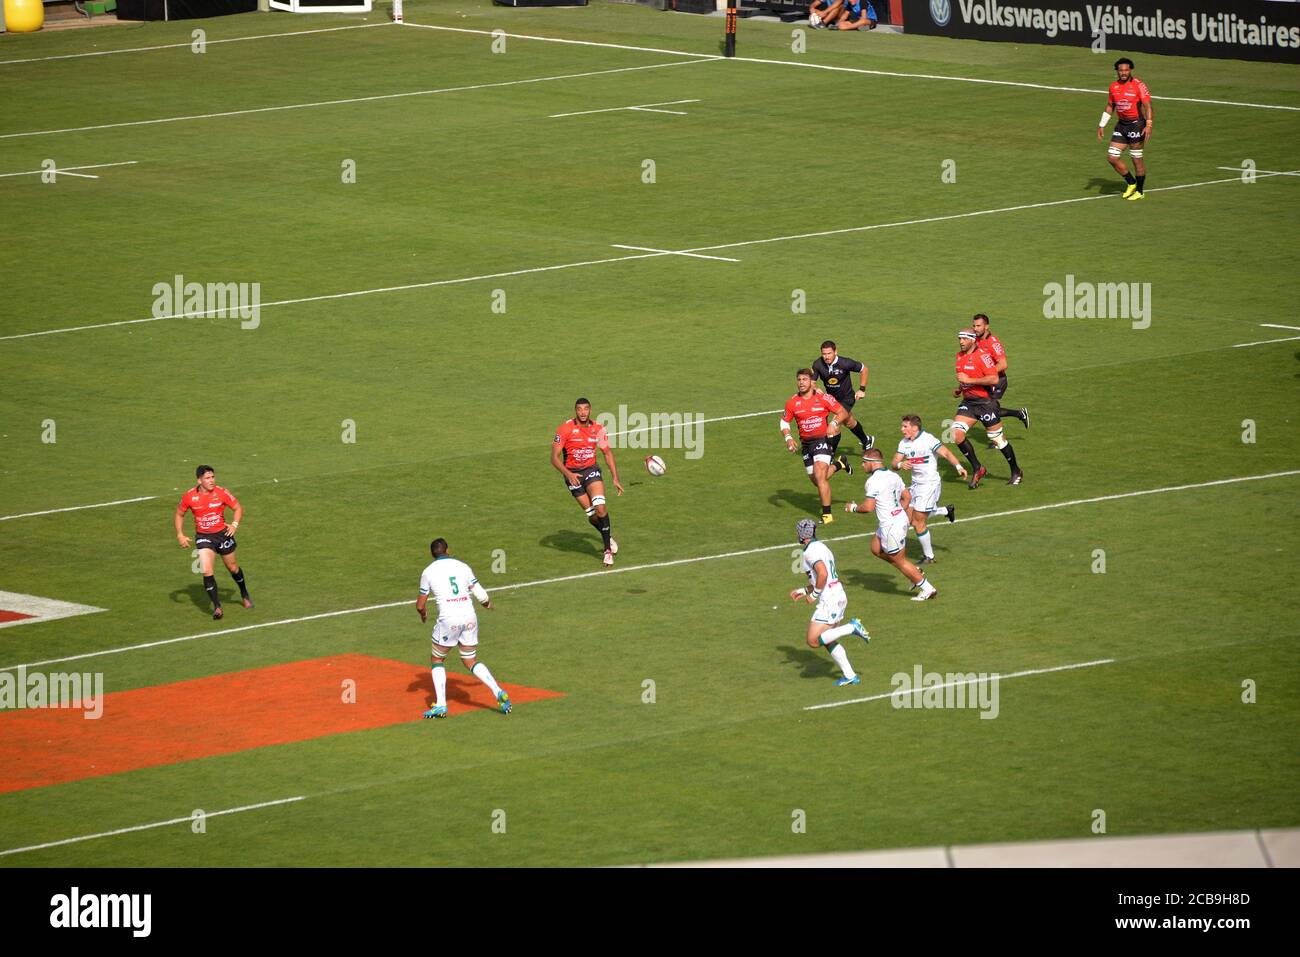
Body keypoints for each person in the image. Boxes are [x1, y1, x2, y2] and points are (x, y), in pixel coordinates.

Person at [417, 538, 511, 719]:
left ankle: (441, 705)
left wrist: (423, 615)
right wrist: (488, 604)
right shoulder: (462, 566)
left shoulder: (428, 572)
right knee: (470, 660)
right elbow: (480, 594)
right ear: (448, 549)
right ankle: (497, 691)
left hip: (448, 619)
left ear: (431, 554)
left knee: (437, 659)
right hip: (469, 617)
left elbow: (421, 604)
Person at [845, 450, 937, 600]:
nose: (862, 465)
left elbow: (868, 507)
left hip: (891, 526)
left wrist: (853, 508)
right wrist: (898, 512)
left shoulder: (873, 481)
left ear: (871, 462)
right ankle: (913, 571)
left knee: (900, 561)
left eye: (863, 462)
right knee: (876, 548)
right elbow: (907, 496)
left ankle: (927, 588)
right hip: (893, 521)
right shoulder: (894, 475)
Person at [789, 518, 869, 686]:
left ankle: (852, 627)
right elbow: (821, 578)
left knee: (813, 640)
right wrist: (804, 591)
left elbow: (823, 574)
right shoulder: (821, 547)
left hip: (830, 599)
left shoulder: (811, 552)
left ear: (802, 535)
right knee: (827, 640)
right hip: (836, 595)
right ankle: (850, 675)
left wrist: (814, 595)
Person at [551, 397, 623, 566]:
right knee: (592, 515)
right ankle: (607, 535)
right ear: (575, 411)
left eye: (586, 409)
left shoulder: (598, 429)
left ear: (590, 410)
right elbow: (554, 458)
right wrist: (568, 474)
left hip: (591, 471)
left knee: (600, 506)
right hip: (572, 475)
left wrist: (615, 477)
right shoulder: (565, 429)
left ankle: (607, 550)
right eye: (579, 409)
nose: (583, 412)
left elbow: (607, 453)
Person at [174, 465, 251, 620]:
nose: (211, 481)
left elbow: (237, 508)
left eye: (213, 477)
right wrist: (180, 534)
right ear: (199, 480)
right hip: (204, 537)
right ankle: (217, 607)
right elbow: (179, 514)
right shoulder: (189, 496)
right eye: (208, 478)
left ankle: (244, 593)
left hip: (223, 535)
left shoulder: (221, 492)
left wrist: (234, 525)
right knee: (207, 571)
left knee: (232, 567)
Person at [952, 328, 1024, 487]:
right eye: (959, 339)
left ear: (972, 340)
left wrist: (969, 381)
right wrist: (960, 388)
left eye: (964, 339)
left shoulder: (983, 356)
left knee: (997, 440)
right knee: (956, 434)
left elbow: (993, 379)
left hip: (985, 403)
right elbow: (964, 377)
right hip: (969, 403)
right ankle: (978, 468)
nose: (961, 342)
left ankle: (1016, 470)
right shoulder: (959, 356)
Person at [781, 368, 853, 524]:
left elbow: (842, 412)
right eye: (799, 380)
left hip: (823, 440)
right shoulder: (792, 402)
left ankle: (827, 515)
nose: (801, 383)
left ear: (812, 382)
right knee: (817, 480)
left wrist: (833, 423)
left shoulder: (824, 398)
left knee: (820, 476)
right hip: (806, 445)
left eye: (804, 379)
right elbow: (784, 421)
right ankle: (839, 464)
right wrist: (788, 438)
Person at [891, 415, 966, 565]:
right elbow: (894, 463)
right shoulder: (904, 443)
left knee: (918, 522)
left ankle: (929, 557)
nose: (902, 429)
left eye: (905, 426)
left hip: (929, 485)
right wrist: (900, 465)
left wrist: (958, 466)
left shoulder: (928, 439)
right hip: (915, 485)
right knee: (910, 518)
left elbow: (946, 452)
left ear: (914, 427)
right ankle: (945, 511)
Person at [1098, 57, 1153, 202]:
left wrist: (1148, 125)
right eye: (1121, 70)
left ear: (1131, 70)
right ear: (1117, 71)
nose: (1123, 73)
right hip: (1122, 125)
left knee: (1136, 159)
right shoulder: (1113, 86)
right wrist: (1102, 124)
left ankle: (1140, 191)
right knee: (1112, 157)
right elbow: (1110, 106)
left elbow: (1147, 105)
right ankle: (1131, 182)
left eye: (1126, 70)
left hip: (1137, 125)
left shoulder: (1138, 85)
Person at [810, 340, 874, 451]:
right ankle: (866, 440)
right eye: (824, 354)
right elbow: (812, 381)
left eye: (829, 353)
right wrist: (815, 389)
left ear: (835, 352)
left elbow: (864, 369)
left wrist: (862, 389)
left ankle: (829, 456)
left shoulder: (845, 363)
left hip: (847, 398)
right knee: (849, 422)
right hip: (832, 400)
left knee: (834, 425)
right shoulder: (818, 364)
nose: (826, 356)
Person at [971, 314, 1028, 429]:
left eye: (978, 326)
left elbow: (1003, 364)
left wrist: (987, 373)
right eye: (974, 326)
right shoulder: (975, 340)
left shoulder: (993, 342)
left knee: (989, 410)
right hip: (986, 381)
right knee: (986, 409)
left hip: (998, 380)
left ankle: (996, 437)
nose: (975, 329)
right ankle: (1019, 414)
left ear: (986, 326)